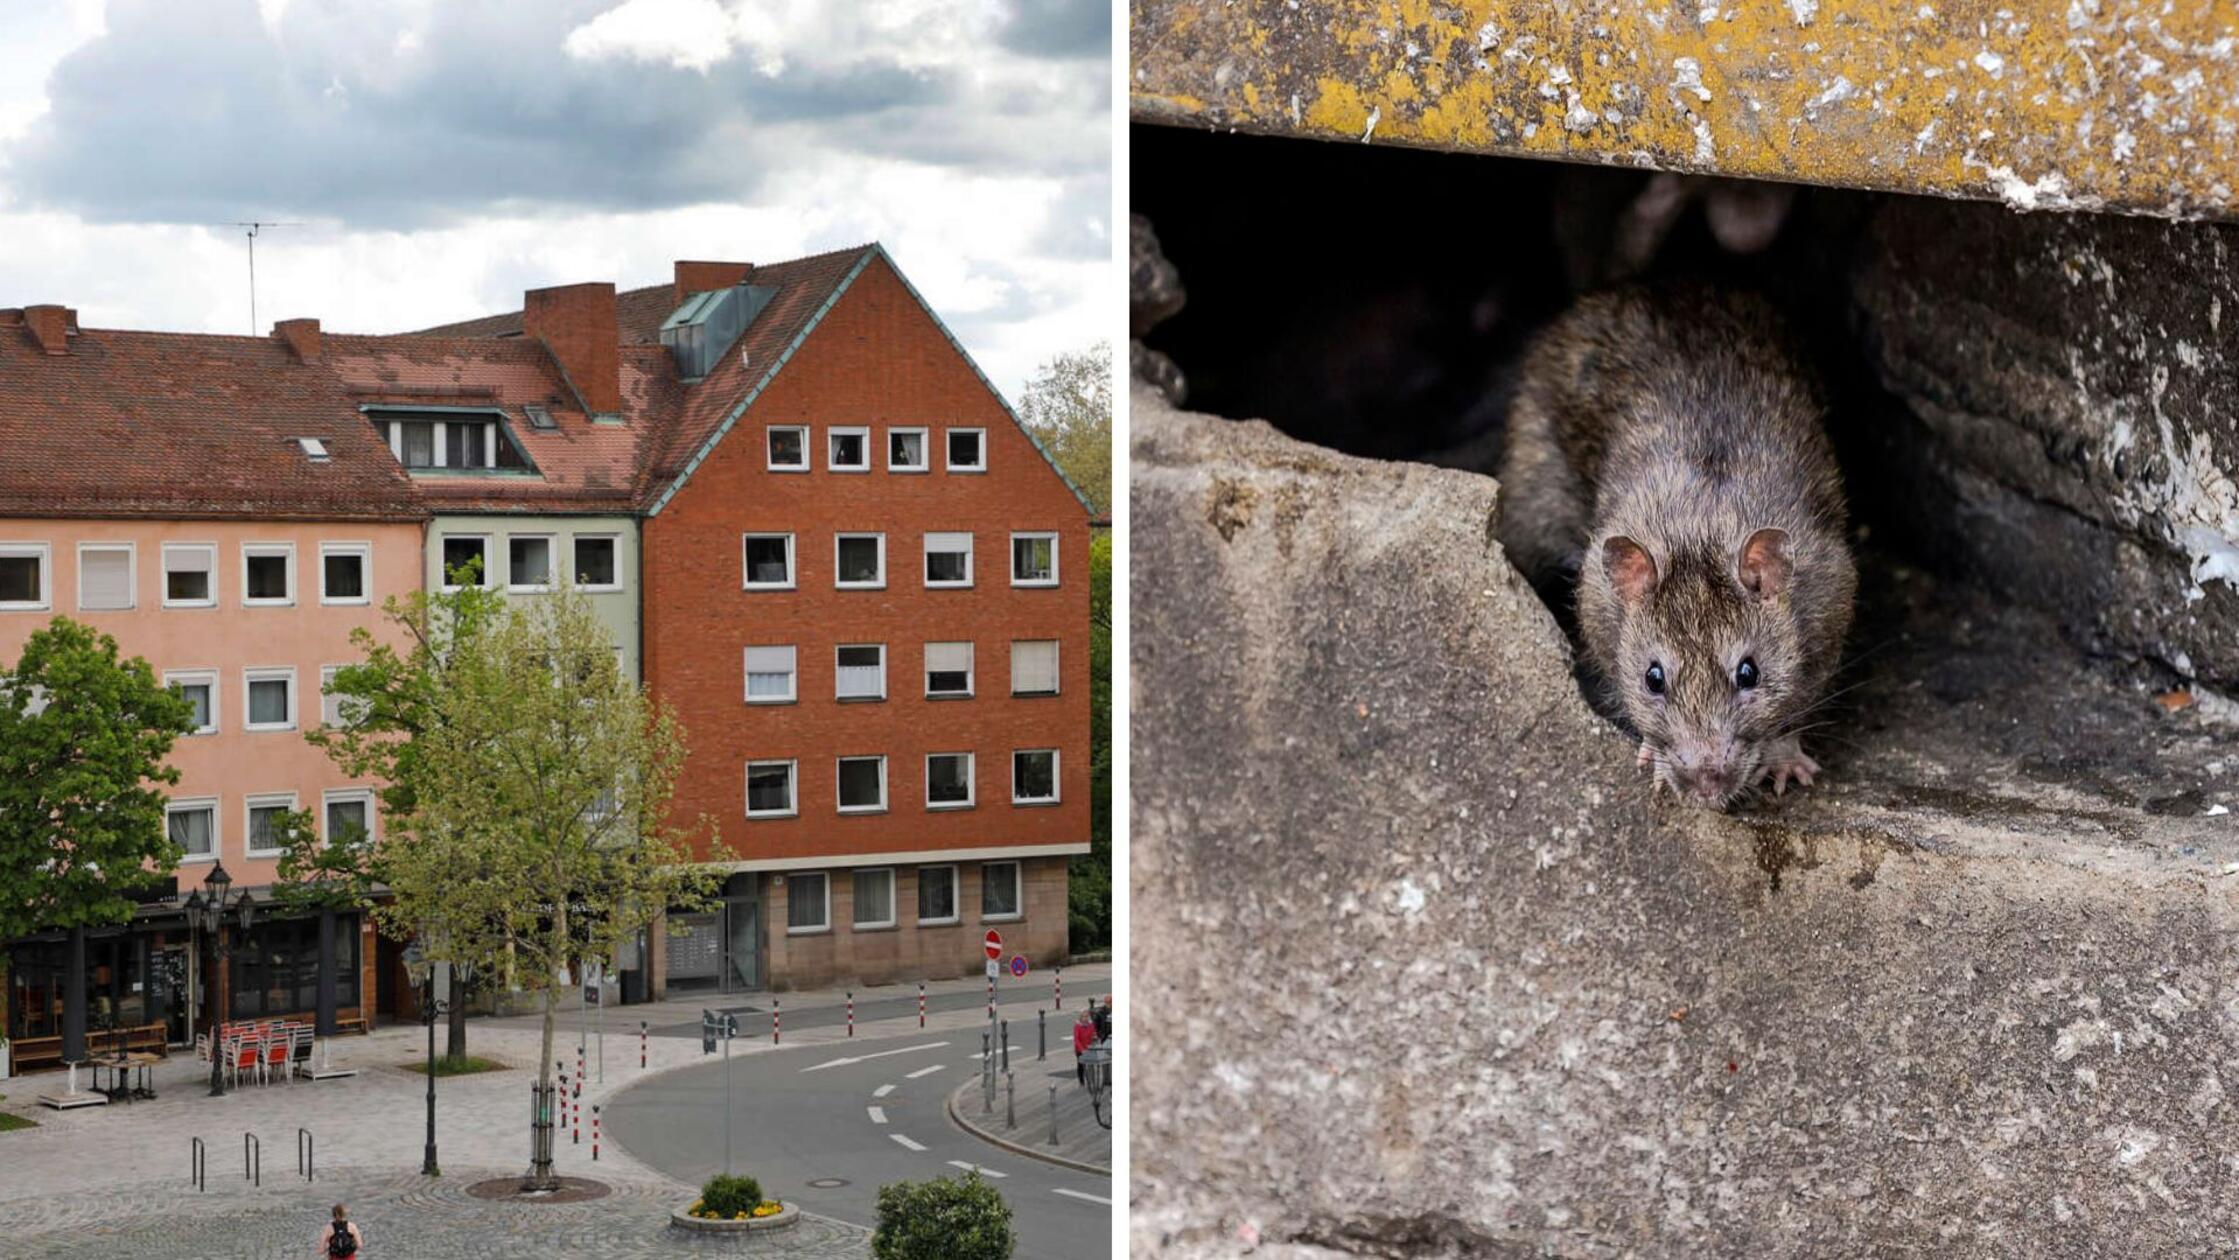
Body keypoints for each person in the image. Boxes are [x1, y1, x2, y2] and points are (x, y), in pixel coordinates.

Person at [1072, 1009, 1097, 1085]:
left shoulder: (1091, 1025)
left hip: (1089, 1048)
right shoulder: (1077, 1026)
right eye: (1084, 1016)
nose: (1085, 1018)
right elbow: (1076, 1039)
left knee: (1091, 1064)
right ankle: (1081, 1081)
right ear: (1080, 1017)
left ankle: (1090, 1079)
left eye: (1087, 1016)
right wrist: (1082, 1050)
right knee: (1081, 1065)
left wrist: (1095, 1037)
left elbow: (1094, 1033)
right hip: (1080, 1049)